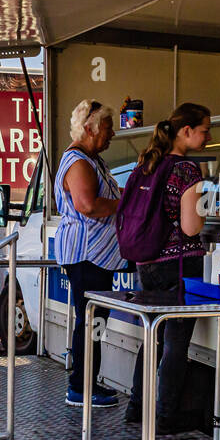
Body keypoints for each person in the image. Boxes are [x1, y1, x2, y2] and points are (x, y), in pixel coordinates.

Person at [125, 102, 212, 432]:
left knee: (152, 336)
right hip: (178, 265)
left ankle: (135, 407)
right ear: (186, 131)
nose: (208, 136)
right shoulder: (187, 170)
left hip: (146, 263)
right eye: (204, 130)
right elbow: (191, 228)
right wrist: (204, 206)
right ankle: (165, 417)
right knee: (176, 342)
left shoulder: (148, 162)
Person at [55, 99, 126, 407]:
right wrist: (129, 205)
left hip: (96, 256)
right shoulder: (78, 161)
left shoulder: (92, 159)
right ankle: (81, 388)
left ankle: (84, 384)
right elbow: (88, 205)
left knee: (92, 320)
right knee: (90, 321)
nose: (111, 135)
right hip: (87, 256)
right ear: (89, 128)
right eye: (107, 129)